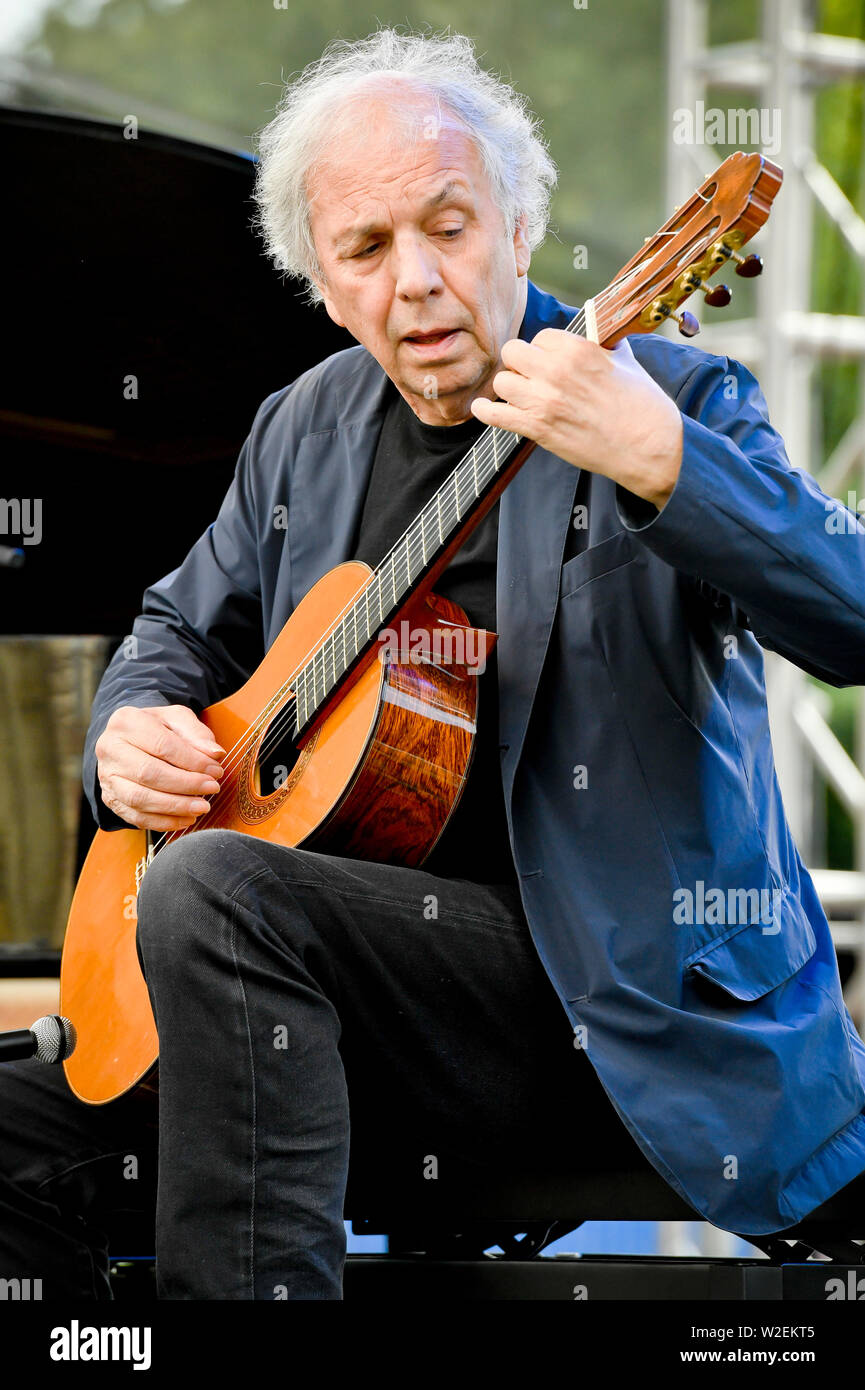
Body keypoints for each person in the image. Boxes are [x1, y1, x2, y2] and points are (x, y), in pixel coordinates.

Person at [2, 27, 865, 1301]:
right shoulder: (299, 430)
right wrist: (129, 729)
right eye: (365, 249)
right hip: (337, 1005)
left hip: (612, 1010)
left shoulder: (669, 391)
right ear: (325, 286)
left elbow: (847, 616)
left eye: (448, 226)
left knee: (216, 889)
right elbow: (171, 635)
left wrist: (661, 460)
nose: (416, 281)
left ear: (520, 226)